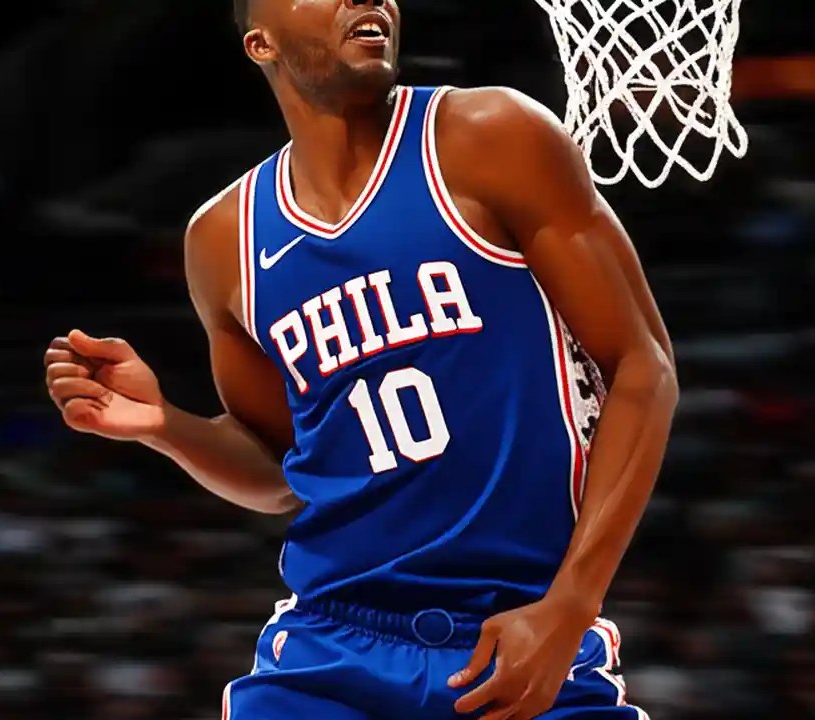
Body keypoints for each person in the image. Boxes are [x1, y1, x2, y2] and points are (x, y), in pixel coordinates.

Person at [43, 0, 677, 717]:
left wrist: (571, 606)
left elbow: (642, 366)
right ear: (261, 43)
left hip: (521, 634)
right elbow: (277, 471)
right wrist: (165, 424)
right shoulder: (224, 240)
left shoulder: (490, 136)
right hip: (331, 652)